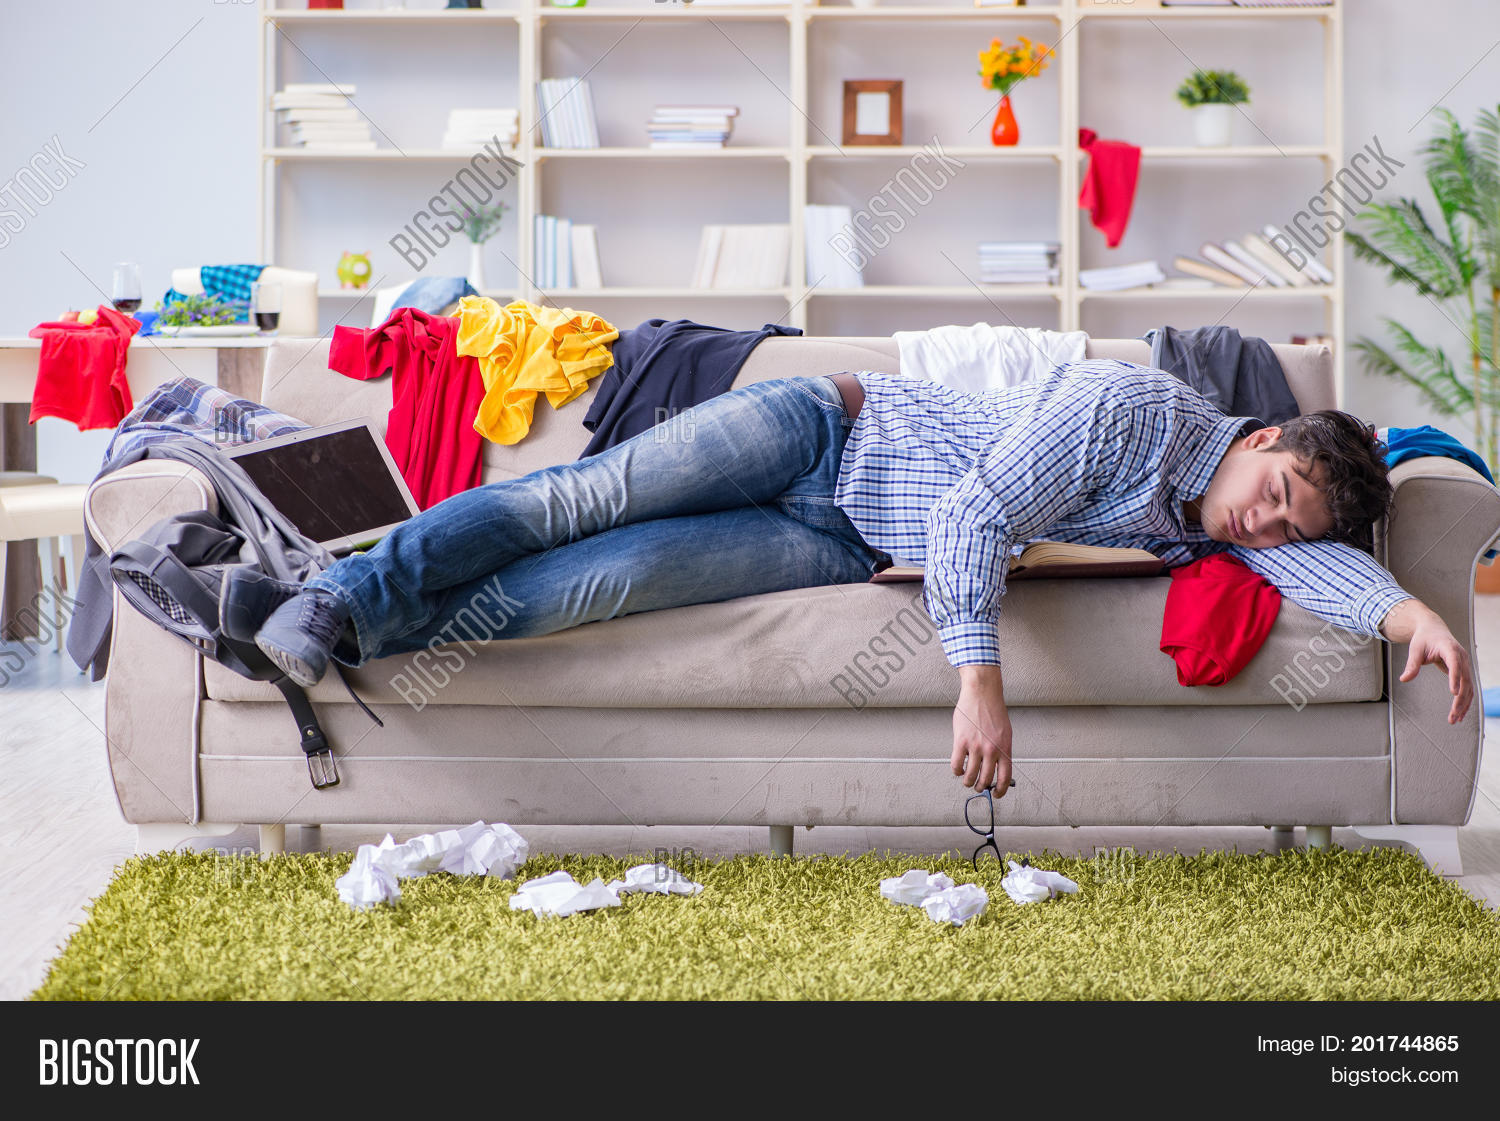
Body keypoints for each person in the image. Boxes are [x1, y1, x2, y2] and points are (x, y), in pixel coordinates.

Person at [232, 360, 1475, 793]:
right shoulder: (1134, 411)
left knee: (590, 584)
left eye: (1280, 527)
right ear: (1261, 441)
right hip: (826, 429)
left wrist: (1415, 607)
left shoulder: (1220, 521)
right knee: (577, 497)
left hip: (838, 543)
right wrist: (976, 682)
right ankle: (340, 595)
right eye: (1272, 497)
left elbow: (1314, 564)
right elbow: (981, 518)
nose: (1263, 532)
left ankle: (324, 628)